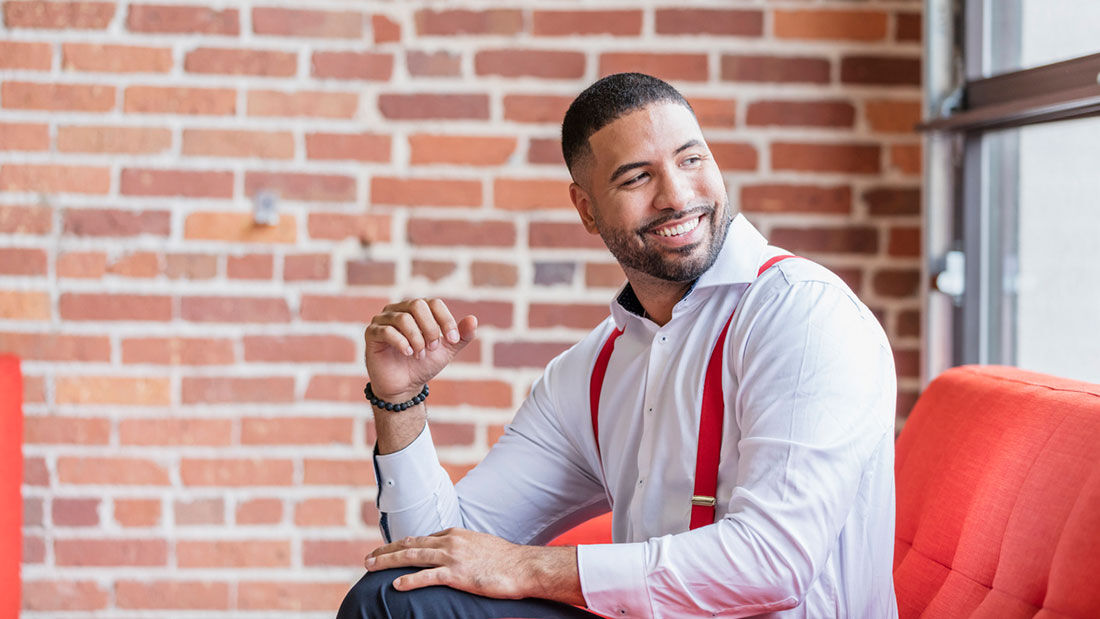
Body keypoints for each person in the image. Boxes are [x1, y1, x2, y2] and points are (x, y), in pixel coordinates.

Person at [336, 73, 898, 618]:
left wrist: (529, 568)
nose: (676, 196)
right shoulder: (594, 371)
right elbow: (426, 555)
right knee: (395, 598)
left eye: (691, 159)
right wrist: (400, 399)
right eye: (636, 178)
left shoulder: (802, 315)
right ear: (586, 209)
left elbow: (772, 564)